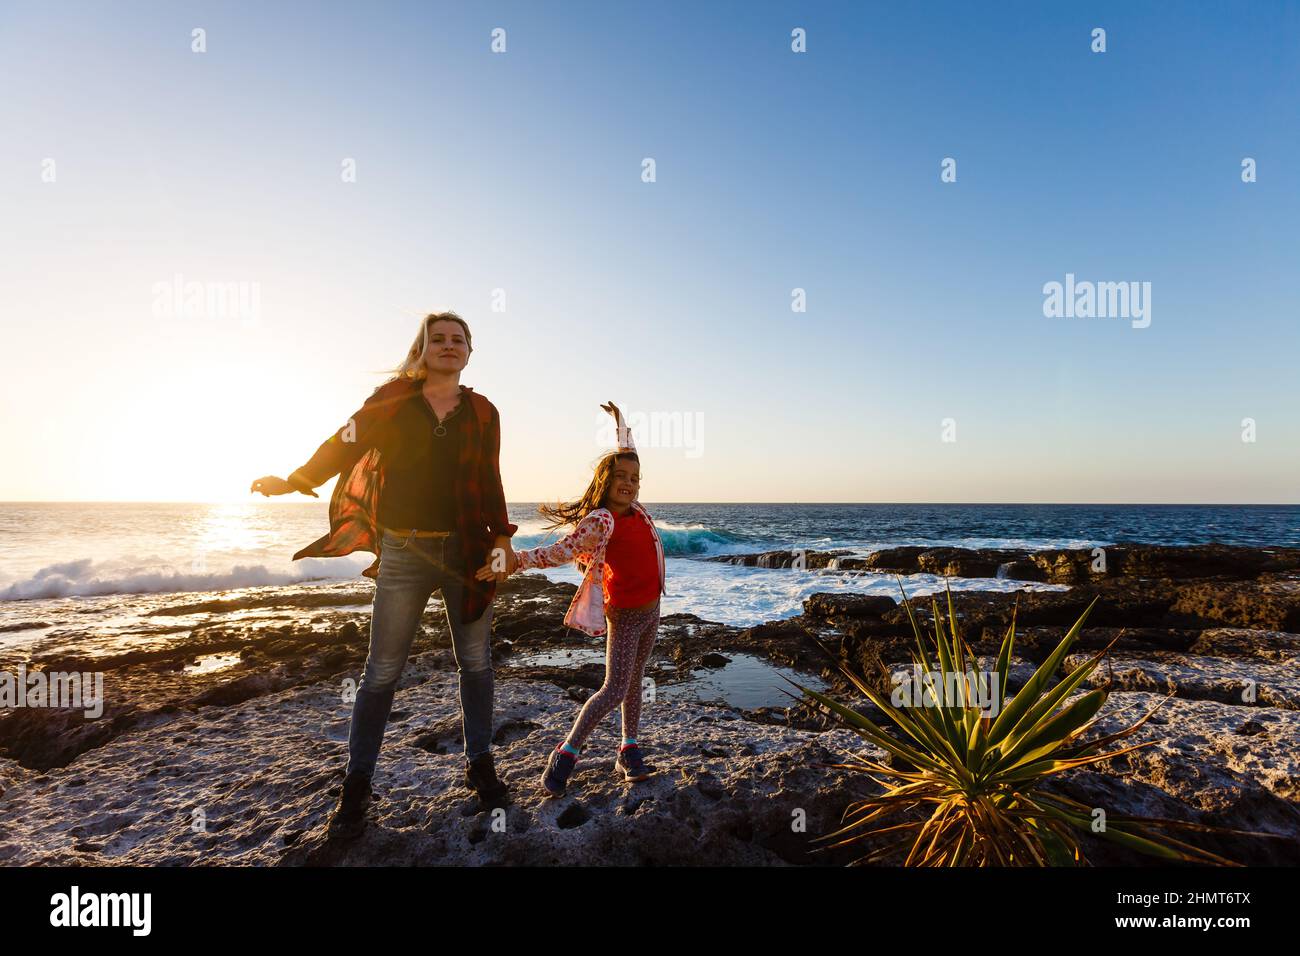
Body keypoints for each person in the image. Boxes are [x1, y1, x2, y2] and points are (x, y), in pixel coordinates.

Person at [251, 311, 517, 836]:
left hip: (468, 551)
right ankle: (357, 784)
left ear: (469, 352)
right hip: (403, 553)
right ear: (421, 350)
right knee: (382, 670)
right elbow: (345, 439)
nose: (447, 345)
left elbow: (489, 478)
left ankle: (479, 762)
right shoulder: (392, 401)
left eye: (456, 340)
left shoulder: (484, 412)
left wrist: (504, 538)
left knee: (476, 661)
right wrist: (298, 478)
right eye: (436, 339)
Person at [479, 402, 664, 795]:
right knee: (614, 688)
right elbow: (563, 551)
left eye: (635, 478)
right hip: (626, 615)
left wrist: (620, 425)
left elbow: (629, 452)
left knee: (634, 682)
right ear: (606, 481)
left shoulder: (636, 510)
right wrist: (518, 561)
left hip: (653, 611)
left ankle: (628, 749)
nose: (629, 483)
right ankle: (567, 752)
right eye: (621, 477)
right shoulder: (602, 520)